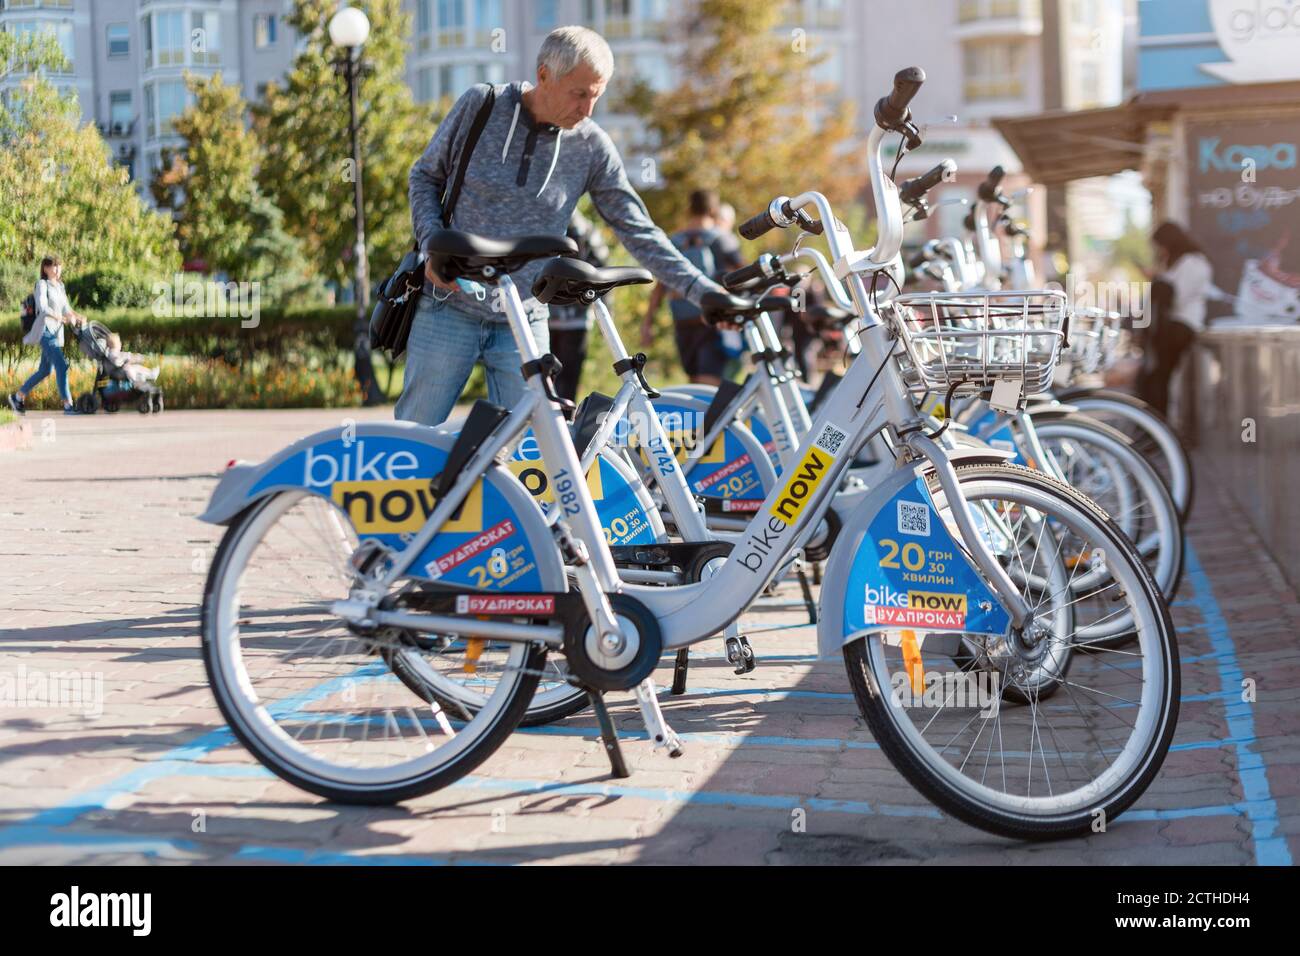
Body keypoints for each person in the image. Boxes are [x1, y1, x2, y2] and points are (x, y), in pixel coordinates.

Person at [398, 26, 728, 426]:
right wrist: (432, 242)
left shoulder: (590, 145)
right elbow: (424, 176)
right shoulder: (481, 106)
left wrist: (703, 291)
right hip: (448, 305)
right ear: (543, 76)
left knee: (538, 446)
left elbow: (637, 229)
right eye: (579, 93)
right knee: (415, 435)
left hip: (526, 318)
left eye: (597, 95)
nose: (588, 109)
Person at [640, 189, 745, 386]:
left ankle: (697, 418)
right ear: (713, 210)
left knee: (694, 385)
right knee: (708, 390)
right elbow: (745, 275)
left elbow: (660, 287)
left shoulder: (674, 242)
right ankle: (710, 418)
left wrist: (647, 323)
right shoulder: (722, 239)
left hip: (682, 323)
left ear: (689, 209)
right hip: (712, 323)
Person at [1138, 221, 1213, 415]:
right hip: (1172, 327)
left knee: (1161, 377)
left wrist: (1158, 281)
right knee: (1157, 377)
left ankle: (1161, 423)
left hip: (1181, 326)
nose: (1160, 251)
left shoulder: (1193, 263)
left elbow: (1176, 296)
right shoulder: (1178, 263)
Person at [8, 255, 85, 416]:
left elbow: (67, 309)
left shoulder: (60, 286)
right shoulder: (42, 285)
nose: (57, 269)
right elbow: (42, 308)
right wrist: (60, 318)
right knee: (62, 366)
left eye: (59, 266)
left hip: (56, 333)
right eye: (53, 266)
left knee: (45, 370)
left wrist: (78, 317)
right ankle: (68, 405)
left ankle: (18, 397)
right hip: (44, 330)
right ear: (45, 269)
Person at [547, 208, 610, 402]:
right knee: (570, 376)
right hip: (578, 316)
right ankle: (565, 422)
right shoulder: (587, 229)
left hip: (545, 313)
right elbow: (602, 268)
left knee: (544, 374)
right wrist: (606, 312)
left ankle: (546, 420)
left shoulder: (546, 225)